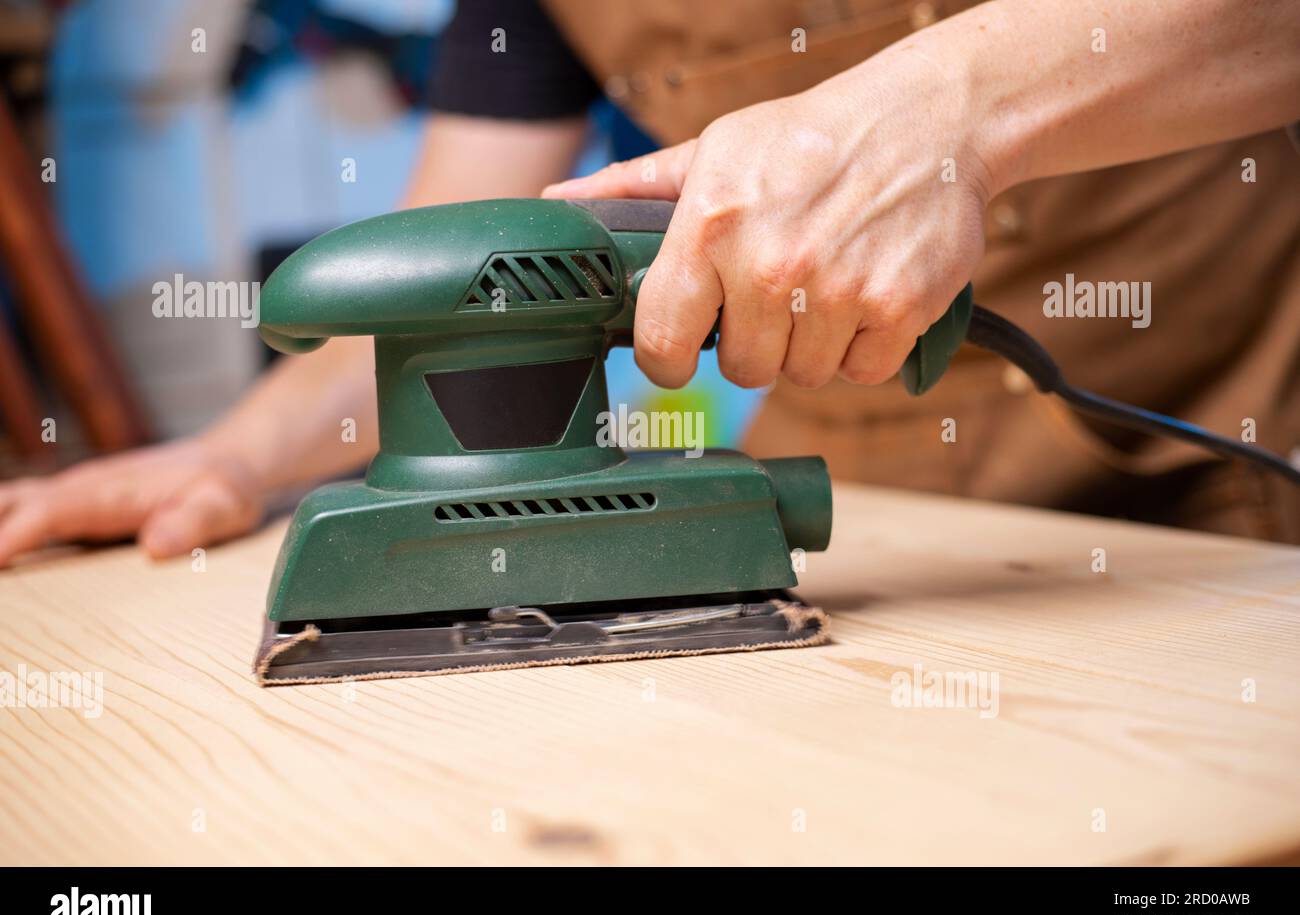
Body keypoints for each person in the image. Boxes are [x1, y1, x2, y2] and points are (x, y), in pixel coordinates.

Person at [1, 0, 1297, 567]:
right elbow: (441, 281)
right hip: (877, 531)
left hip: (1221, 489)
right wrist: (230, 456)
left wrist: (947, 108)